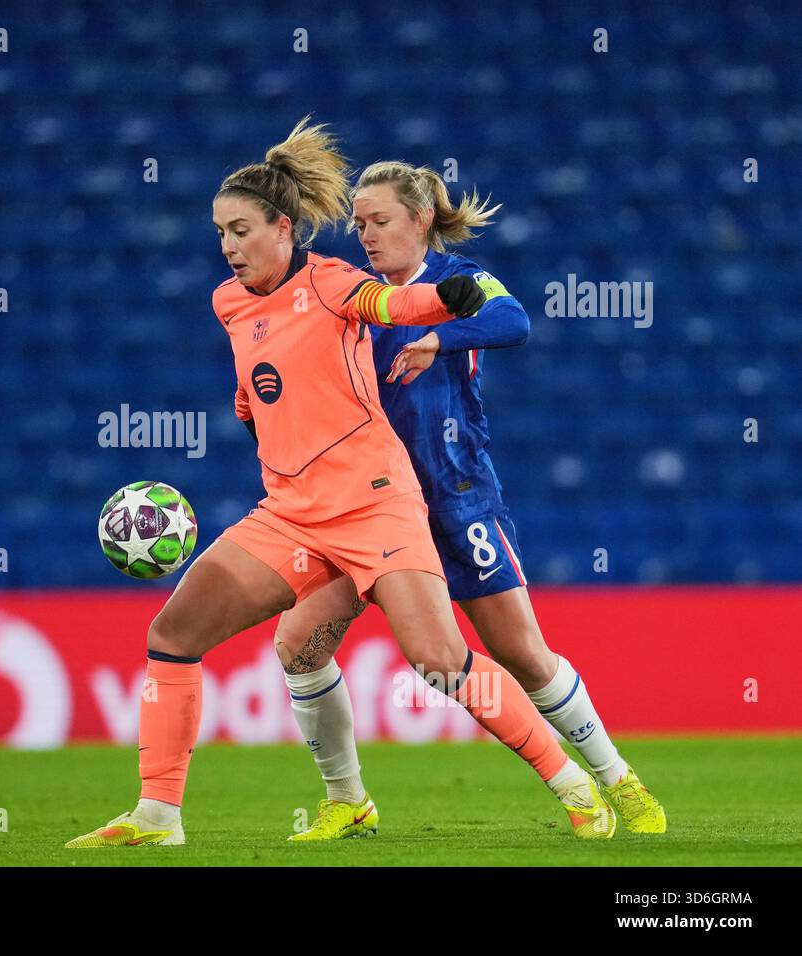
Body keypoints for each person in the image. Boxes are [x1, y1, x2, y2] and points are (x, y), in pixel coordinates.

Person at [66, 119, 616, 848]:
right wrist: (252, 404)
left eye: (239, 231)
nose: (227, 248)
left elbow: (391, 306)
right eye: (219, 234)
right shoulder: (228, 303)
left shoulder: (332, 282)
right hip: (291, 512)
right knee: (173, 633)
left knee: (440, 661)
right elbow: (263, 383)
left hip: (375, 503)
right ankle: (159, 817)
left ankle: (574, 785)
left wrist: (446, 303)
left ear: (283, 228)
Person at [274, 160, 666, 841]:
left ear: (421, 220)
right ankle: (346, 800)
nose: (366, 235)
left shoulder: (455, 285)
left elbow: (514, 320)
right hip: (366, 508)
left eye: (381, 221)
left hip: (456, 501)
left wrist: (439, 334)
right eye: (359, 223)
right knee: (299, 643)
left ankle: (618, 780)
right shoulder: (354, 297)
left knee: (521, 653)